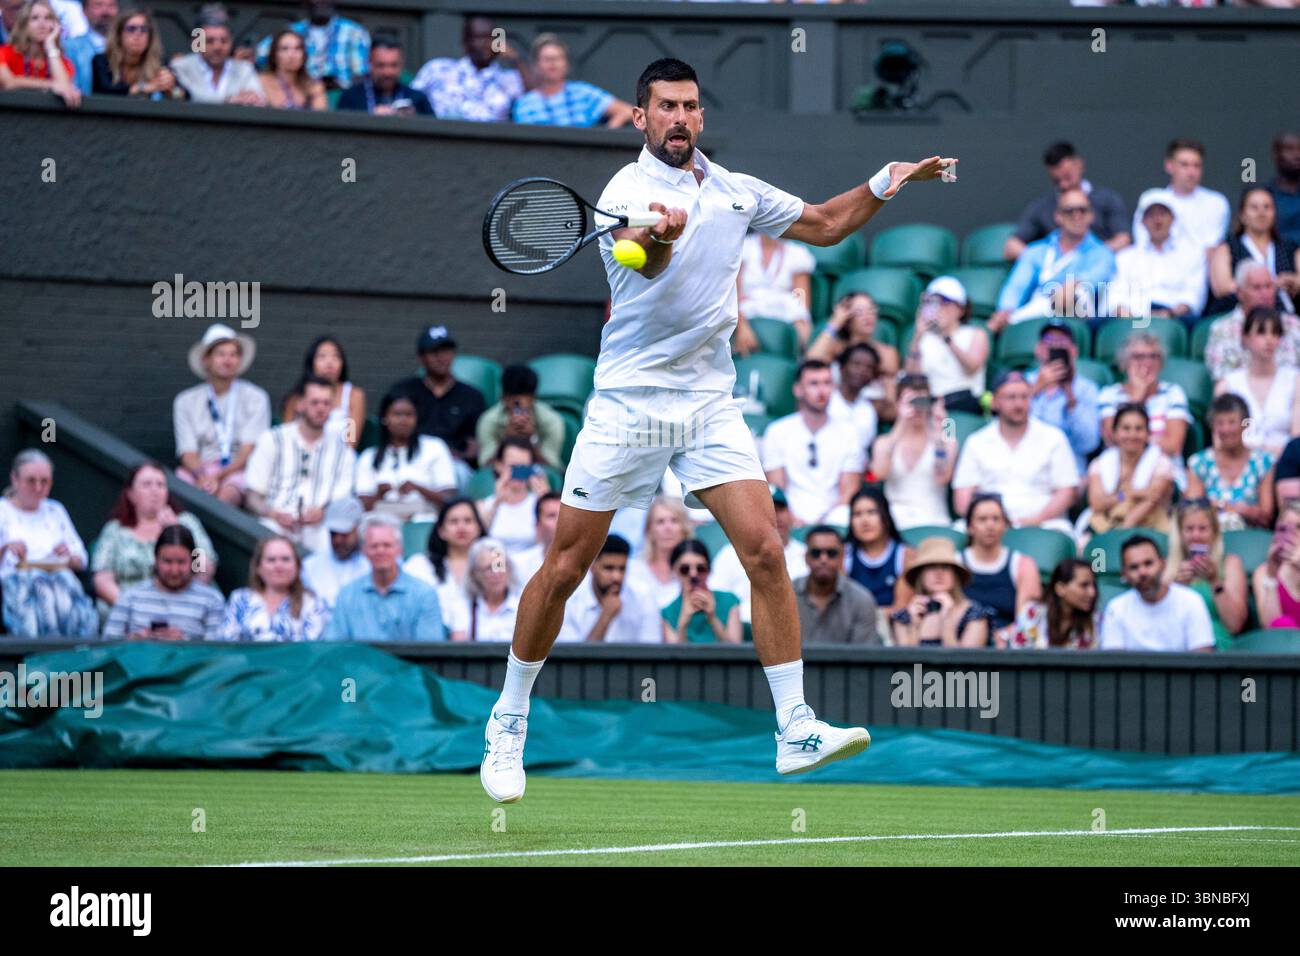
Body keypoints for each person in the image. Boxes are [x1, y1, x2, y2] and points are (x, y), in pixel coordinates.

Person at [478, 56, 955, 802]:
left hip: (708, 403)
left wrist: (886, 180)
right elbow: (652, 265)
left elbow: (826, 227)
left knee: (766, 551)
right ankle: (508, 719)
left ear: (701, 115)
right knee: (566, 568)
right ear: (640, 118)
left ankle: (795, 727)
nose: (679, 118)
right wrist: (660, 234)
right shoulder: (625, 193)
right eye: (664, 106)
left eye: (690, 107)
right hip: (630, 403)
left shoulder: (734, 191)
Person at [953, 370, 1079, 534]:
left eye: (1024, 397)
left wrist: (1036, 520)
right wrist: (991, 521)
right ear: (995, 402)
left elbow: (1067, 492)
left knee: (1063, 533)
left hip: (1044, 523)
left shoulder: (1054, 437)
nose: (1019, 404)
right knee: (958, 530)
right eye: (1011, 397)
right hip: (989, 524)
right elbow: (962, 499)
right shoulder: (976, 442)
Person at [243, 376, 357, 553]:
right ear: (300, 404)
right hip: (275, 524)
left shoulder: (344, 452)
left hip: (320, 528)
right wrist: (272, 513)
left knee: (331, 541)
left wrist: (324, 513)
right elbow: (252, 495)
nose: (321, 408)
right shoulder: (272, 439)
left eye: (326, 403)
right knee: (267, 539)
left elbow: (343, 502)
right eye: (315, 402)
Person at [91, 461, 216, 616]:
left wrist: (177, 532)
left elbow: (203, 569)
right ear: (131, 494)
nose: (154, 490)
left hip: (182, 606)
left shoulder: (186, 521)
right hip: (130, 608)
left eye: (160, 485)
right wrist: (131, 608)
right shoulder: (115, 530)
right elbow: (102, 579)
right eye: (147, 484)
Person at [988, 187, 1116, 332]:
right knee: (995, 324)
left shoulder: (1103, 254)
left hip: (1077, 317)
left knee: (1073, 296)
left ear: (1091, 216)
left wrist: (1072, 284)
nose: (1076, 216)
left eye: (1082, 210)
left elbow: (1096, 278)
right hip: (1037, 310)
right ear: (1058, 216)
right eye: (1069, 211)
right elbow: (1017, 285)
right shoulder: (1036, 251)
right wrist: (1006, 309)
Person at [0, 449, 96, 637]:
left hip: (60, 583)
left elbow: (81, 558)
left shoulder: (55, 510)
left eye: (44, 481)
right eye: (31, 481)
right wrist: (5, 549)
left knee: (66, 597)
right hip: (17, 585)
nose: (38, 488)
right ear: (15, 479)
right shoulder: (2, 511)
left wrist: (68, 556)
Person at [173, 323, 271, 508]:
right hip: (200, 471)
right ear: (206, 360)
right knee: (179, 484)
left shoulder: (256, 397)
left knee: (229, 493)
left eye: (233, 354)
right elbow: (187, 453)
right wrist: (202, 475)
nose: (228, 360)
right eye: (221, 354)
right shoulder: (185, 401)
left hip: (237, 470)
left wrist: (220, 475)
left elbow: (248, 451)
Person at [762, 359, 865, 526]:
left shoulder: (850, 432)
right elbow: (777, 487)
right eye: (814, 384)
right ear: (798, 390)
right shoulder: (777, 431)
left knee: (846, 514)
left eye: (827, 383)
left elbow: (849, 491)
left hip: (834, 516)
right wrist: (792, 518)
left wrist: (823, 521)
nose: (822, 390)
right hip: (789, 513)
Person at [325, 514, 445, 641]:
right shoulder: (347, 595)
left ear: (400, 549)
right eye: (374, 546)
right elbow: (335, 646)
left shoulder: (424, 595)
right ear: (364, 551)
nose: (380, 551)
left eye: (387, 545)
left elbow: (429, 650)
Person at [389, 325, 488, 478]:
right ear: (421, 358)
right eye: (434, 352)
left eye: (446, 351)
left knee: (456, 473)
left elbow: (476, 446)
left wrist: (459, 455)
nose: (442, 357)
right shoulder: (404, 392)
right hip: (411, 459)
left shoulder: (472, 396)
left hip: (454, 464)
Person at [1004, 141, 1130, 260]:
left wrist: (1093, 258)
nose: (1063, 185)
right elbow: (1012, 246)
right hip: (1056, 279)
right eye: (1056, 181)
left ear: (1079, 165)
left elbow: (1123, 239)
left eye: (1067, 177)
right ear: (1057, 216)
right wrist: (1046, 262)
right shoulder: (1041, 207)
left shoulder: (1107, 199)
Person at [103, 525, 224, 641]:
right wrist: (134, 642)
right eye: (167, 561)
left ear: (193, 561)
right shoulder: (130, 597)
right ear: (155, 559)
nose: (174, 570)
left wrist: (183, 644)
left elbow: (218, 653)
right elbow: (108, 644)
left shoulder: (212, 600)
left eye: (181, 562)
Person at [709, 485, 806, 626]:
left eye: (780, 509)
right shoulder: (729, 554)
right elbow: (718, 598)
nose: (775, 516)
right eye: (767, 510)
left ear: (790, 514)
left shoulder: (806, 554)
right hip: (740, 631)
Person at [868, 373, 954, 530]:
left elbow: (943, 477)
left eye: (922, 401)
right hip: (895, 523)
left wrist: (942, 426)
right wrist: (901, 421)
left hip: (934, 520)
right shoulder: (884, 441)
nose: (918, 407)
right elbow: (878, 474)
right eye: (912, 402)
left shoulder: (946, 435)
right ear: (898, 403)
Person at [1100, 535, 1214, 652]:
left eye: (1148, 563)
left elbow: (1202, 659)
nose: (1142, 572)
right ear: (1124, 574)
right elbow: (1114, 664)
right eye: (1134, 567)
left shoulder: (1191, 601)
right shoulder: (1116, 608)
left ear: (1163, 564)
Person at [355, 391, 456, 521]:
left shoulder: (435, 447)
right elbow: (361, 506)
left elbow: (449, 500)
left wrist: (419, 489)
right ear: (384, 418)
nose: (403, 420)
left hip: (425, 519)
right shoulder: (368, 456)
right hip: (381, 523)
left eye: (409, 415)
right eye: (397, 414)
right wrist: (379, 495)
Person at [1163, 499, 1249, 651]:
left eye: (1202, 529)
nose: (1196, 535)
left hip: (1217, 645)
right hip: (1175, 645)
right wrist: (1176, 588)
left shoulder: (1230, 563)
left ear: (1214, 532)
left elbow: (1235, 625)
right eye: (1189, 529)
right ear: (1180, 533)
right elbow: (1157, 620)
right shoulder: (1166, 566)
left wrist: (1215, 581)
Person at [1097, 332, 1190, 471]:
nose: (1147, 363)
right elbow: (1112, 439)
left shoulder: (1173, 393)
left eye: (1154, 356)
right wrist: (1137, 399)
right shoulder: (1109, 395)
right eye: (1138, 357)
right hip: (1119, 468)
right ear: (1124, 362)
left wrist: (1131, 440)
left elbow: (1173, 445)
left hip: (1163, 469)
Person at [1214, 307, 1300, 455]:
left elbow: (1297, 440)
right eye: (1261, 332)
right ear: (1245, 337)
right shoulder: (1227, 385)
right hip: (1239, 464)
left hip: (1285, 465)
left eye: (1275, 333)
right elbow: (1219, 442)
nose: (1269, 340)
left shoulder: (1295, 380)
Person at [1110, 190, 1207, 321]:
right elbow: (1115, 295)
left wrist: (1169, 314)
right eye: (1151, 215)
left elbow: (1194, 295)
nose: (1157, 220)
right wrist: (1132, 319)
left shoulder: (1193, 255)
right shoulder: (1125, 257)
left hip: (1175, 319)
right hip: (1131, 319)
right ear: (1142, 221)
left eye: (1162, 214)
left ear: (1173, 218)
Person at [412, 15, 529, 122]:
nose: (487, 43)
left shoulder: (509, 79)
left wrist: (516, 59)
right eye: (480, 37)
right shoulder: (438, 69)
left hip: (490, 142)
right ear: (466, 41)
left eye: (492, 37)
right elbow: (411, 99)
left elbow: (537, 98)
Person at [804, 291, 900, 422]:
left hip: (868, 415)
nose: (868, 316)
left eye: (871, 309)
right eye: (860, 311)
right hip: (832, 410)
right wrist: (836, 321)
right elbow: (811, 362)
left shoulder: (887, 353)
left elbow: (890, 400)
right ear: (847, 318)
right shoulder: (835, 347)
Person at [1187, 393, 1276, 531]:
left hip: (1250, 538)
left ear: (1245, 424)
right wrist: (1238, 509)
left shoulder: (1263, 462)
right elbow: (1193, 509)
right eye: (1220, 423)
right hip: (1210, 537)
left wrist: (1219, 505)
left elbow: (1265, 515)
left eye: (1232, 422)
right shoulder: (1199, 463)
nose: (1226, 429)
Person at [1206, 187, 1300, 317]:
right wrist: (1271, 285)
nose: (1261, 213)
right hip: (1238, 316)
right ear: (1242, 215)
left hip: (1286, 316)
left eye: (1267, 207)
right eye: (1254, 207)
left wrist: (1293, 281)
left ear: (1274, 214)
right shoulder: (1227, 247)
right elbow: (1222, 288)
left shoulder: (1289, 247)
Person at [961, 493, 1041, 643]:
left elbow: (1026, 619)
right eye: (982, 519)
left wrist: (1004, 635)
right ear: (970, 527)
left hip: (1007, 648)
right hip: (963, 644)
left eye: (996, 519)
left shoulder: (1023, 564)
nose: (990, 525)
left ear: (1005, 525)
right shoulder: (956, 563)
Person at [1084, 403, 1174, 535]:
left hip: (1150, 525)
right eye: (1126, 428)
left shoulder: (1161, 463)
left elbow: (1153, 497)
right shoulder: (1101, 463)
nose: (1132, 434)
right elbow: (1097, 504)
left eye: (1139, 429)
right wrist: (1127, 495)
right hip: (1106, 523)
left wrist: (1124, 529)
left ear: (1148, 433)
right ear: (1115, 433)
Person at [903, 275, 989, 413]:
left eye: (944, 302)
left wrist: (945, 337)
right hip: (933, 403)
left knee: (948, 425)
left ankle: (947, 432)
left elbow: (971, 367)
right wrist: (918, 336)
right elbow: (912, 378)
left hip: (964, 401)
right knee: (908, 404)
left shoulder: (976, 334)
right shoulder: (924, 338)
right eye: (931, 302)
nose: (938, 307)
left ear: (960, 308)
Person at [219, 535, 329, 641]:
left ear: (298, 566)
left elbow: (313, 651)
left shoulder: (312, 603)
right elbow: (225, 645)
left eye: (285, 559)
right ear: (258, 567)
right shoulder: (239, 599)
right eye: (271, 560)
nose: (278, 566)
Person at [1025, 320, 1100, 474]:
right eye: (1049, 341)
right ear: (1038, 349)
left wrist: (1070, 396)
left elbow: (1089, 444)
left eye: (1062, 342)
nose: (1055, 346)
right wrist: (1035, 390)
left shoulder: (1086, 389)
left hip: (1068, 471)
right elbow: (1005, 428)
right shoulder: (1023, 383)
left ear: (1074, 351)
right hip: (1026, 465)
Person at [1131, 138, 1230, 256]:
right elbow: (1143, 244)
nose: (1191, 172)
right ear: (1169, 166)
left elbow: (1211, 250)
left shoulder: (1216, 203)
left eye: (1196, 166)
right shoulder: (1151, 199)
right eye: (1184, 165)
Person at [511, 33, 631, 128]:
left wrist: (607, 136)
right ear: (536, 65)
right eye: (547, 59)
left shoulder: (582, 93)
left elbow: (627, 111)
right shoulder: (524, 104)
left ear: (566, 64)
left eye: (558, 58)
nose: (553, 63)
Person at [1204, 262, 1300, 380]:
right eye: (1257, 287)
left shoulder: (1294, 325)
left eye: (1269, 286)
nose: (1265, 294)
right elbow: (1220, 376)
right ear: (1239, 293)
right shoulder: (1222, 329)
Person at [890, 537, 993, 648]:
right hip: (920, 666)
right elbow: (912, 665)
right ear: (920, 575)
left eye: (945, 567)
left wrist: (947, 623)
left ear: (955, 575)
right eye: (931, 567)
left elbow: (964, 664)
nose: (939, 573)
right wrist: (915, 626)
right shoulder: (904, 617)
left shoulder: (975, 614)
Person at [556, 535, 660, 643]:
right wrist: (605, 617)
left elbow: (652, 651)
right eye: (609, 568)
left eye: (622, 569)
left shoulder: (643, 597)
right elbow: (573, 657)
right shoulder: (569, 601)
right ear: (592, 566)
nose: (617, 577)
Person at [402, 496, 486, 629]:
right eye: (453, 521)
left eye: (468, 521)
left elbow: (509, 590)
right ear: (441, 531)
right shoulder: (419, 564)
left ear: (479, 528)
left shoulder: (496, 558)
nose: (461, 527)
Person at [255, 0, 369, 90]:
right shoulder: (293, 31)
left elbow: (361, 75)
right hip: (300, 94)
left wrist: (340, 85)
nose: (322, 1)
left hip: (339, 96)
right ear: (305, 3)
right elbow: (259, 55)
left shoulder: (353, 32)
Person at [793, 526, 879, 645]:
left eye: (831, 553)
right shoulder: (786, 595)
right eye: (816, 553)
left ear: (842, 556)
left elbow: (863, 657)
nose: (823, 559)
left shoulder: (862, 600)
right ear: (806, 557)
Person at [734, 231, 816, 354]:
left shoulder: (798, 253)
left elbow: (801, 302)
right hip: (745, 312)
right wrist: (741, 326)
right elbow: (732, 296)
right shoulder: (742, 247)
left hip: (784, 310)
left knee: (803, 327)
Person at [475, 364, 565, 468]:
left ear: (533, 398)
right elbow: (486, 468)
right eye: (513, 403)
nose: (518, 411)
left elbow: (551, 469)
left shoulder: (551, 421)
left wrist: (530, 440)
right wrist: (507, 439)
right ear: (503, 397)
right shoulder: (489, 421)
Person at [171, 8, 263, 105]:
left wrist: (252, 99)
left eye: (224, 41)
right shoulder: (180, 67)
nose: (217, 47)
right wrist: (228, 100)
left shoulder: (244, 69)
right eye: (210, 41)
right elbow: (180, 96)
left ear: (231, 42)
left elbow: (258, 100)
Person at [843, 486, 911, 614]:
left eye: (872, 512)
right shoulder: (843, 555)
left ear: (886, 516)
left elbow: (901, 608)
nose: (865, 521)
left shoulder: (905, 555)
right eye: (857, 514)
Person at [476, 437, 550, 555]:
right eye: (513, 467)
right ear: (499, 465)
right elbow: (478, 541)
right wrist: (497, 502)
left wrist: (545, 503)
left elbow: (549, 545)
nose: (518, 473)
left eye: (524, 468)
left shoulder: (539, 503)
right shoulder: (484, 506)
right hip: (497, 566)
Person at [1004, 559, 1098, 650]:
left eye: (1094, 585)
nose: (1092, 592)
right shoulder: (1032, 614)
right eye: (1084, 585)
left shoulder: (1095, 622)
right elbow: (1019, 658)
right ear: (1060, 588)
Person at [661, 540, 742, 644]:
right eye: (685, 569)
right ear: (674, 570)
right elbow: (674, 656)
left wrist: (713, 618)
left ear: (709, 570)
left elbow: (735, 652)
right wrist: (683, 621)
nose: (693, 574)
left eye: (700, 568)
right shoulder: (668, 612)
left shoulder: (729, 601)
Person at [0, 0, 79, 106]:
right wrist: (52, 85)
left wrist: (50, 45)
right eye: (34, 18)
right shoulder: (4, 53)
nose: (42, 24)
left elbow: (64, 87)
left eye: (48, 18)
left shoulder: (61, 62)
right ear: (23, 24)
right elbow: (9, 83)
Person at [624, 495, 692, 611]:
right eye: (660, 522)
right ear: (649, 530)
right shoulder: (632, 570)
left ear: (684, 528)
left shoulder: (697, 570)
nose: (668, 528)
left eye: (674, 520)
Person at [448, 537, 521, 642]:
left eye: (500, 566)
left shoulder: (523, 607)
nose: (496, 574)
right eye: (489, 568)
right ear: (475, 574)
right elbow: (459, 651)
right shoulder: (462, 608)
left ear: (509, 569)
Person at [300, 496, 370, 606]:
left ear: (359, 529)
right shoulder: (310, 566)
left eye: (344, 534)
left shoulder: (374, 565)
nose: (337, 540)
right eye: (333, 533)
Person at [336, 37, 432, 115]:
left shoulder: (417, 99)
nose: (388, 72)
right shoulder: (351, 98)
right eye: (381, 65)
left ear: (402, 65)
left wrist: (414, 119)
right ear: (369, 64)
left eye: (393, 65)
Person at [826, 344, 882, 458]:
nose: (862, 371)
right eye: (856, 364)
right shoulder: (825, 400)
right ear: (842, 367)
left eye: (869, 367)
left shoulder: (869, 409)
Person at [1252, 501, 1300, 629]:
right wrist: (1272, 575)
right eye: (1285, 528)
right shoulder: (1263, 572)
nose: (1292, 534)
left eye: (1299, 527)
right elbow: (1271, 626)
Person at [258, 28, 325, 110]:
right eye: (284, 49)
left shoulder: (314, 86)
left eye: (297, 48)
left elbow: (320, 118)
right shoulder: (260, 82)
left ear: (304, 55)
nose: (292, 55)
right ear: (274, 55)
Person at [62, 0, 114, 95]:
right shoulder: (70, 47)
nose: (105, 11)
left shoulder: (129, 46)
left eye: (111, 5)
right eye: (98, 5)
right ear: (84, 10)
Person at [513, 491, 561, 584]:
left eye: (563, 515)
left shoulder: (589, 564)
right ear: (538, 526)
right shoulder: (520, 565)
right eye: (551, 516)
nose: (559, 521)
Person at [1268, 132, 1300, 248]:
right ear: (1276, 155)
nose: (1297, 155)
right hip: (1279, 262)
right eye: (1290, 150)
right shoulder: (1266, 194)